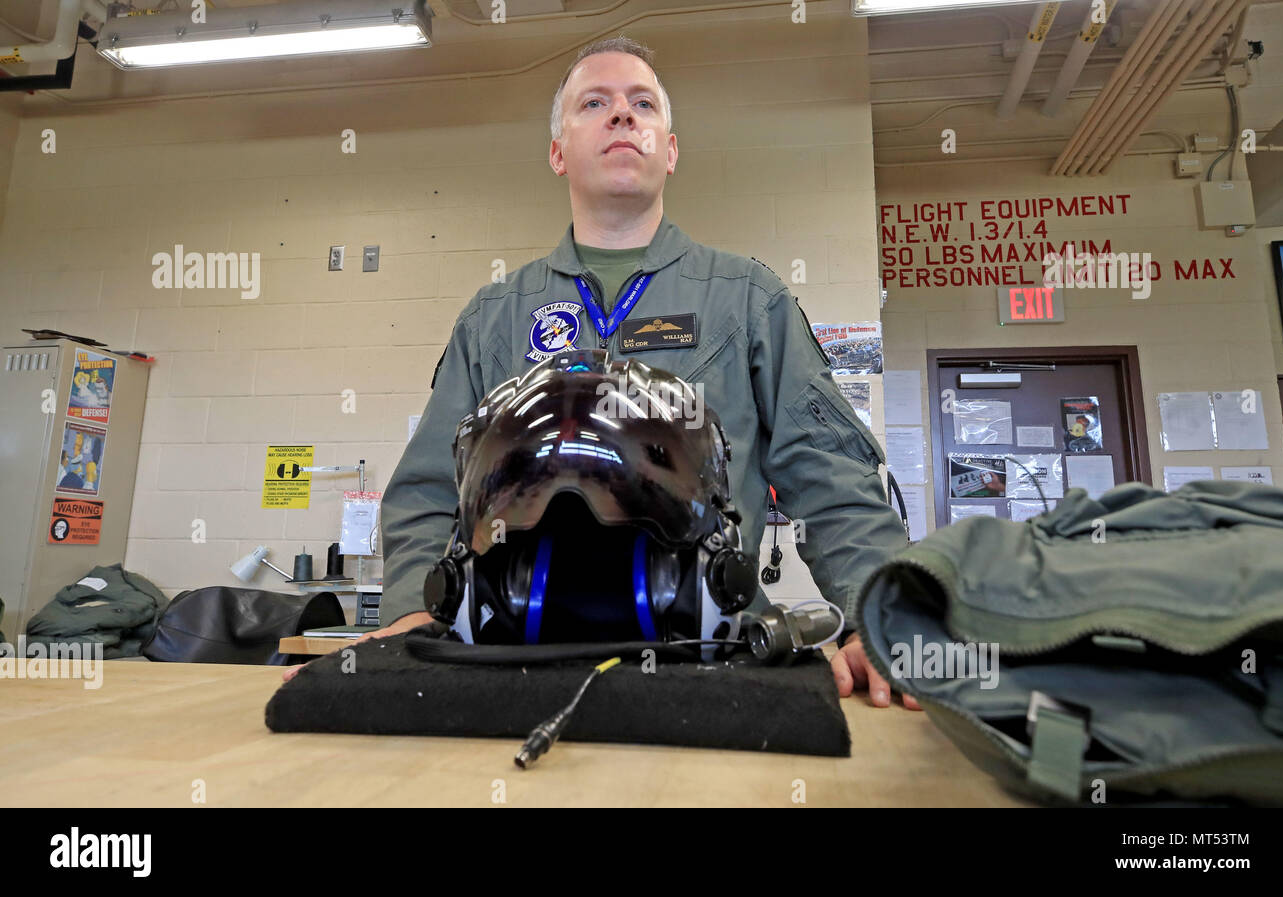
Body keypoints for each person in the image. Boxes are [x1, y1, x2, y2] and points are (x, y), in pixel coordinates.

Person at [285, 37, 918, 709]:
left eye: (642, 103)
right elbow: (427, 489)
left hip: (709, 666)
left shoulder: (748, 300)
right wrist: (413, 611)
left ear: (669, 151)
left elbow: (831, 476)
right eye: (595, 103)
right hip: (510, 667)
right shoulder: (496, 315)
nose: (623, 114)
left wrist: (878, 614)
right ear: (559, 152)